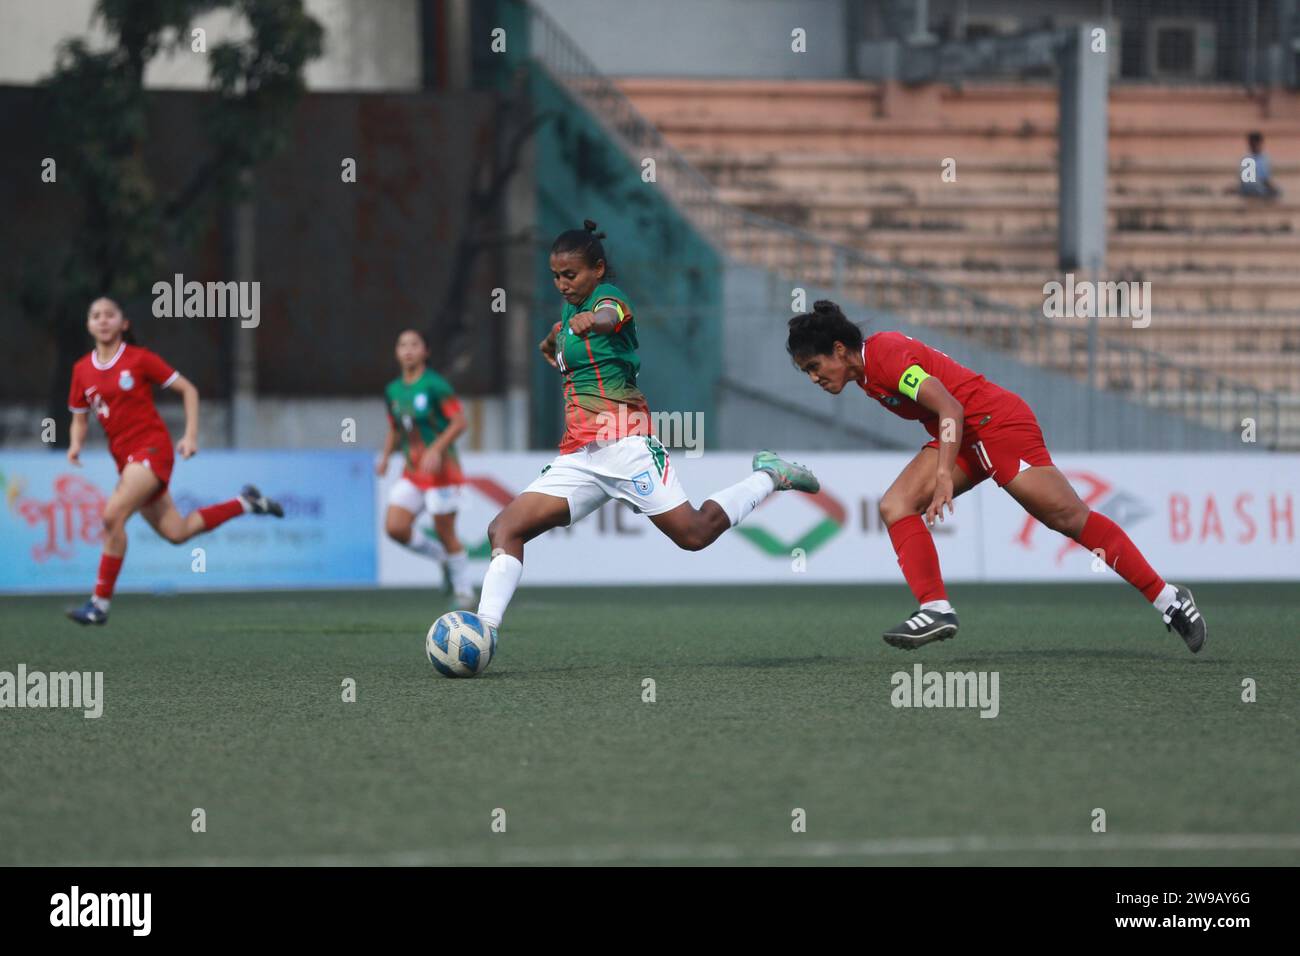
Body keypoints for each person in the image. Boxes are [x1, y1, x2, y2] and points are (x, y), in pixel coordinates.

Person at [785, 300, 1206, 653]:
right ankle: (934, 608)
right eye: (805, 371)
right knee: (895, 505)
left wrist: (945, 474)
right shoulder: (866, 373)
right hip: (967, 435)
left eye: (814, 365)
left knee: (1068, 518)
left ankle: (1168, 598)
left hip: (997, 425)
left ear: (840, 349)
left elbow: (950, 407)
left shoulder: (887, 358)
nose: (813, 377)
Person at [475, 220, 819, 633]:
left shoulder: (608, 298)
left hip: (626, 444)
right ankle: (482, 630)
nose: (562, 284)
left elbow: (608, 319)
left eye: (571, 275)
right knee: (505, 528)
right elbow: (564, 335)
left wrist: (591, 322)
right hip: (579, 456)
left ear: (597, 270)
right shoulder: (570, 311)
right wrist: (553, 341)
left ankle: (769, 475)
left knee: (693, 534)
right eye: (556, 276)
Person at [65, 297, 283, 625]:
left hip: (152, 450)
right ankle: (246, 503)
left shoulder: (139, 360)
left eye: (110, 314)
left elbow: (188, 390)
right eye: (96, 315)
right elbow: (79, 417)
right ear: (88, 324)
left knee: (112, 517)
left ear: (124, 323)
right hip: (126, 461)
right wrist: (74, 444)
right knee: (177, 532)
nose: (103, 320)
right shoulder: (81, 370)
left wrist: (191, 435)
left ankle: (99, 604)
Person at [378, 329, 475, 607]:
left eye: (414, 344)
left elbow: (460, 423)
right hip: (413, 472)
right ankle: (441, 558)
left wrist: (435, 448)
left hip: (443, 473)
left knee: (445, 531)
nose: (408, 349)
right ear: (397, 352)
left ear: (425, 352)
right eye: (402, 344)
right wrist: (385, 457)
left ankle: (464, 591)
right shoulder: (393, 390)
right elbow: (395, 428)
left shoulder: (436, 385)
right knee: (395, 528)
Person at [1240, 131, 1281, 198]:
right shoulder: (1249, 158)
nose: (1253, 146)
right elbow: (1263, 179)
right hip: (1255, 188)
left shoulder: (1264, 158)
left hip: (1255, 187)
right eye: (1252, 144)